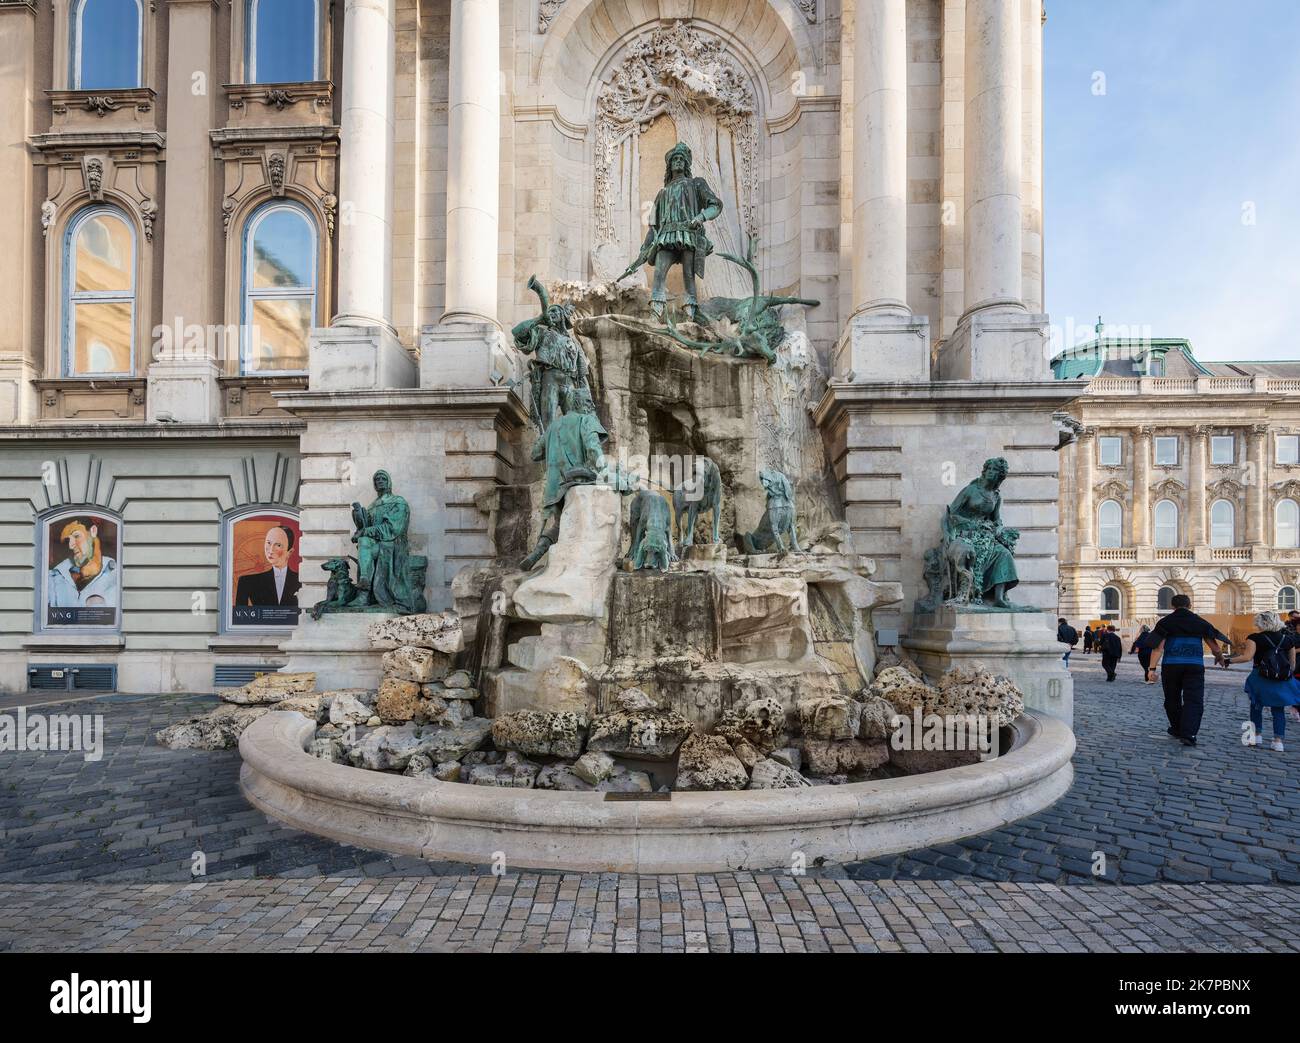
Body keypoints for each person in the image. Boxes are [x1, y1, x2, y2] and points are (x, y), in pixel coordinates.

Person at [1145, 593, 1230, 747]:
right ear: (1190, 605)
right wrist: (1220, 658)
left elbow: (1158, 648)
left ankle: (1177, 729)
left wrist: (1151, 669)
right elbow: (1214, 646)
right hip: (1194, 666)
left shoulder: (1165, 622)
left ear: (1172, 606)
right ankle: (1189, 733)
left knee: (1172, 699)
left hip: (1171, 665)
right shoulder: (1200, 622)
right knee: (1194, 700)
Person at [1225, 611, 1300, 752]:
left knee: (1256, 705)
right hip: (1281, 679)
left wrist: (1228, 661)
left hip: (1260, 676)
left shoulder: (1254, 638)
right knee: (1278, 709)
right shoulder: (1288, 639)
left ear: (1261, 623)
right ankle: (1278, 742)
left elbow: (1246, 657)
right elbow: (1292, 664)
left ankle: (1256, 736)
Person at [48, 518, 119, 609]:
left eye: (76, 536)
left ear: (93, 531)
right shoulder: (53, 578)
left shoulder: (117, 575)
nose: (71, 545)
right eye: (68, 540)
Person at [234, 524, 300, 609]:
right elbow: (240, 617)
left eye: (278, 545)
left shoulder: (302, 581)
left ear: (290, 552)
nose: (271, 550)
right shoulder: (247, 582)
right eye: (268, 543)